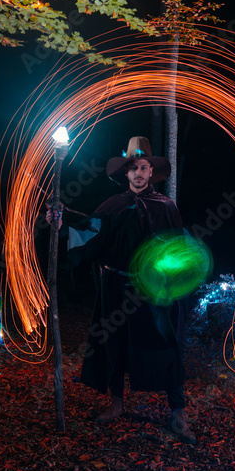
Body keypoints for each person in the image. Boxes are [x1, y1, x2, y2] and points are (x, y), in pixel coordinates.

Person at [47, 136, 195, 444]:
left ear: (151, 172)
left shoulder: (166, 207)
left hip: (153, 290)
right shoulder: (112, 205)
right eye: (133, 168)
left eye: (144, 167)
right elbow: (89, 234)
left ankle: (177, 412)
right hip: (115, 285)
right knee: (113, 341)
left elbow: (180, 248)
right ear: (126, 173)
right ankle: (117, 402)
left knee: (166, 344)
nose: (139, 173)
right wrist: (60, 225)